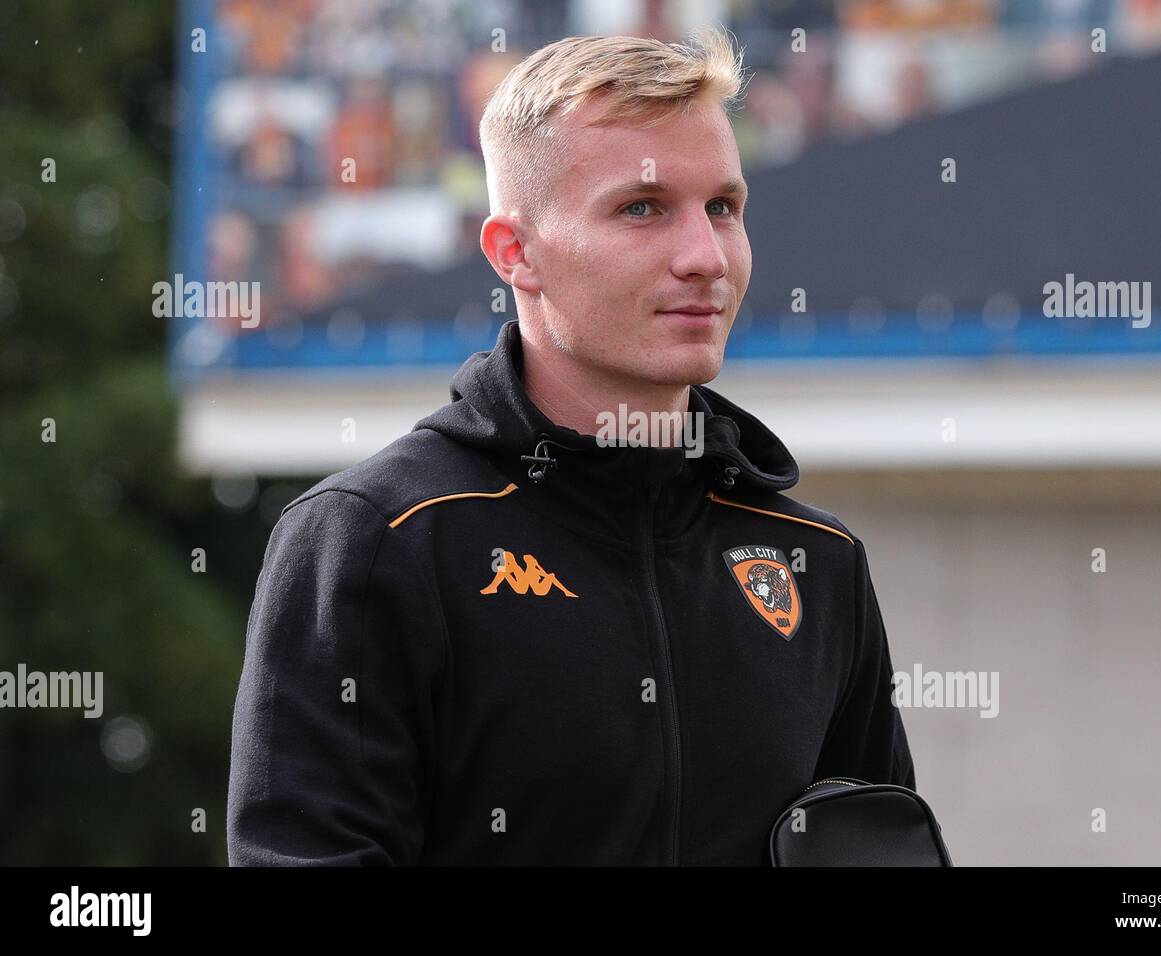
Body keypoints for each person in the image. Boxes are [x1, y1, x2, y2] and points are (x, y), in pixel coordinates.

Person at [227, 27, 915, 867]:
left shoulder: (819, 561)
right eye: (643, 208)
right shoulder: (377, 540)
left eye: (724, 208)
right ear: (517, 253)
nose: (706, 258)